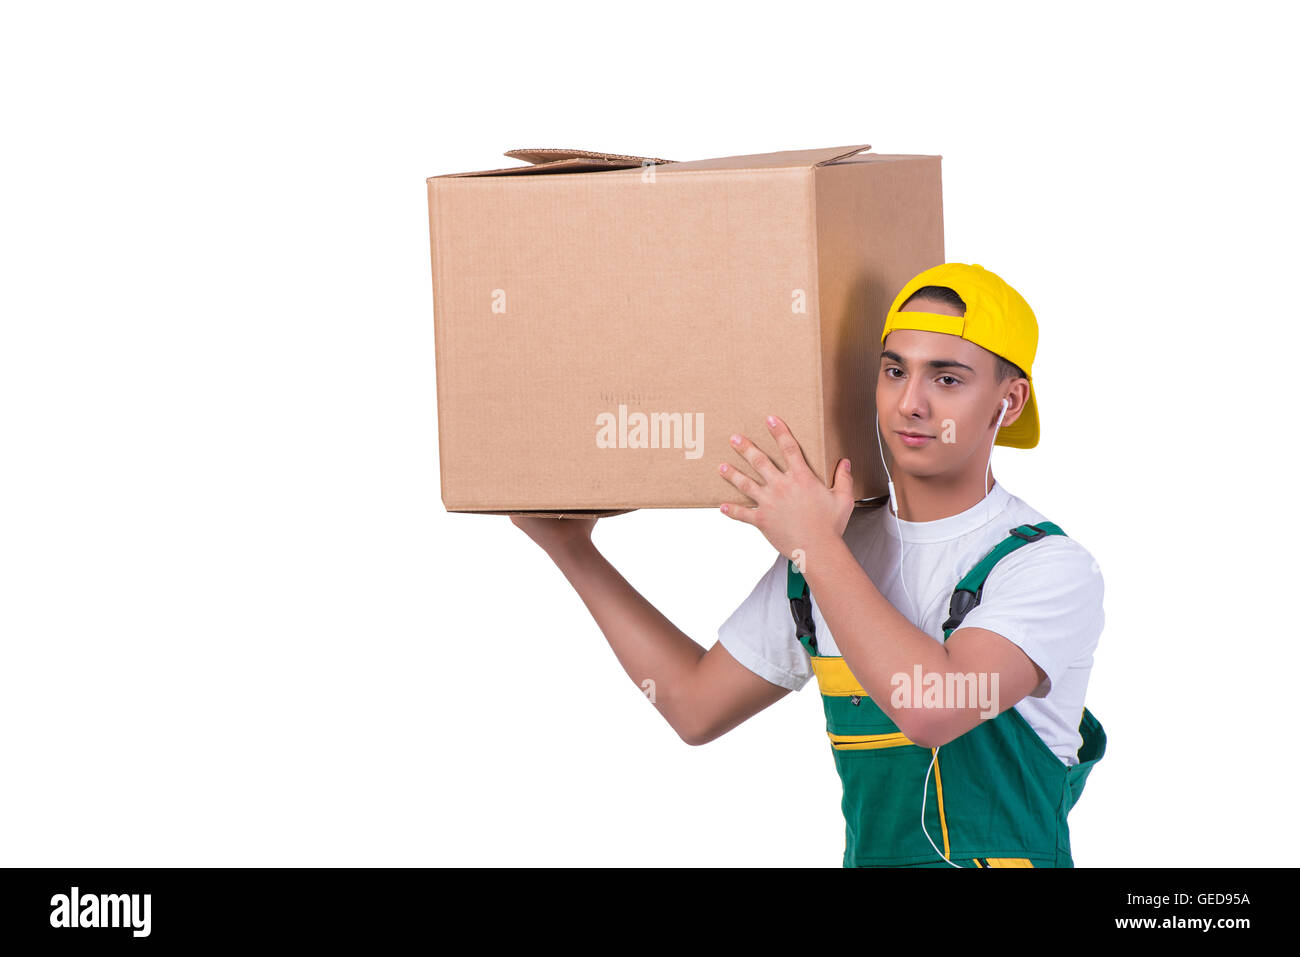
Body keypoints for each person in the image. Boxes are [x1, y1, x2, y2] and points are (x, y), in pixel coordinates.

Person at [511, 262, 1106, 868]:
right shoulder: (831, 550)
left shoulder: (1045, 568)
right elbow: (693, 706)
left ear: (1008, 402)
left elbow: (933, 706)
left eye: (947, 380)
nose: (911, 403)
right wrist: (571, 548)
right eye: (895, 371)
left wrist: (815, 545)